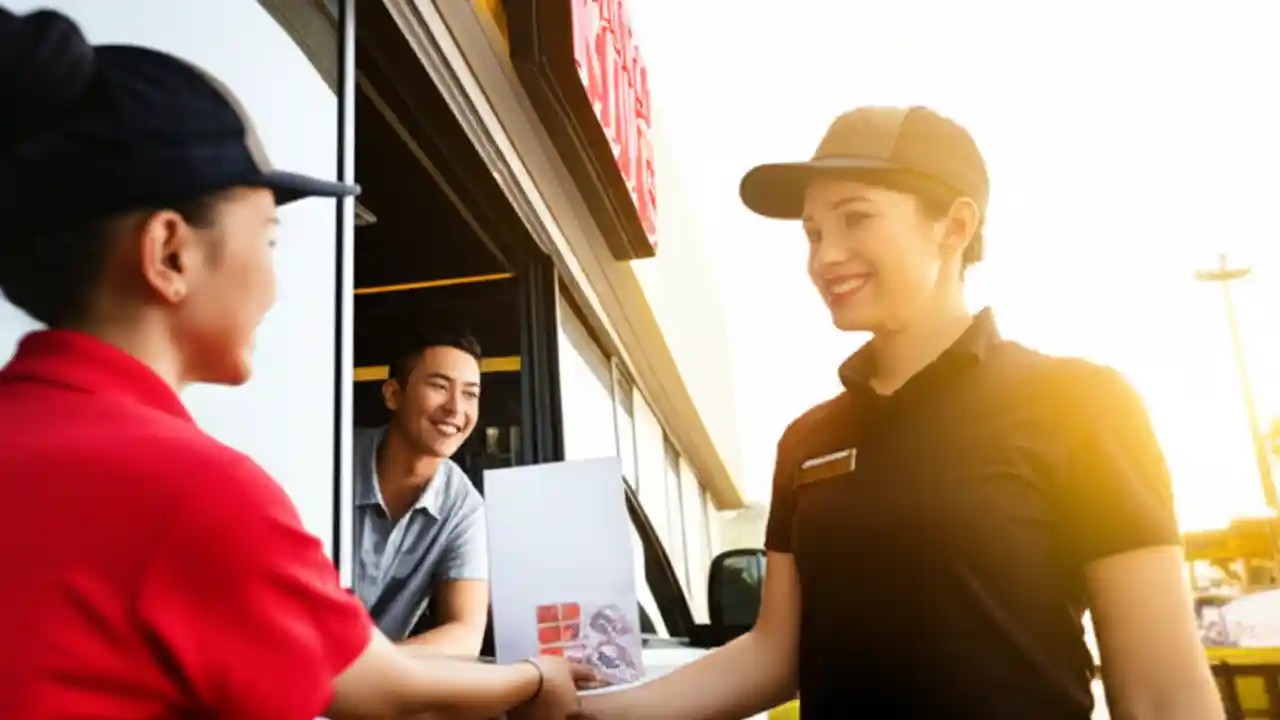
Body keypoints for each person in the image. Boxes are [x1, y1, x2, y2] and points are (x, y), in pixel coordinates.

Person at [0, 7, 591, 719]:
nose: (276, 285)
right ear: (171, 253)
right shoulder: (191, 491)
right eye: (270, 239)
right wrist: (536, 678)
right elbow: (381, 693)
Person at [576, 106, 1225, 718]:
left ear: (955, 225)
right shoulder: (808, 439)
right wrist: (582, 713)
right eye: (813, 232)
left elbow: (1162, 695)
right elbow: (773, 655)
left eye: (856, 218)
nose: (825, 255)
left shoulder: (1079, 404)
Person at [355, 331, 489, 656]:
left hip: (374, 688)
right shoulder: (329, 460)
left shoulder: (464, 505)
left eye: (470, 394)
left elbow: (465, 634)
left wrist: (365, 672)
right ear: (392, 394)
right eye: (439, 386)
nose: (456, 408)